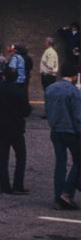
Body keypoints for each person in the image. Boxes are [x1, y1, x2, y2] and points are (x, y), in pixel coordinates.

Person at [0, 65, 30, 194]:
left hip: (1, 126)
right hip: (16, 127)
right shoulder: (18, 90)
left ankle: (4, 186)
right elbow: (26, 111)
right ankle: (17, 185)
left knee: (3, 158)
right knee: (21, 156)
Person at [44, 69, 81, 210]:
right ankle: (67, 192)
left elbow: (47, 110)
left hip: (56, 129)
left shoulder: (50, 89)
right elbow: (78, 116)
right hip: (70, 131)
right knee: (78, 161)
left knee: (60, 163)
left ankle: (58, 196)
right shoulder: (74, 92)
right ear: (74, 76)